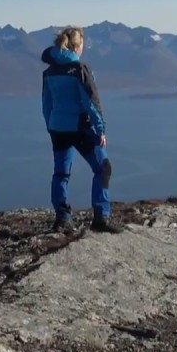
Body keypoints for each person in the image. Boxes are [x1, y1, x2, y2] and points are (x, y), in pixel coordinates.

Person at [41, 26, 122, 234]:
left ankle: (62, 219)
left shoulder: (49, 71)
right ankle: (101, 217)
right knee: (103, 168)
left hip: (57, 128)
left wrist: (51, 126)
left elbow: (46, 104)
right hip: (79, 127)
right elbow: (90, 102)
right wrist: (101, 128)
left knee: (60, 173)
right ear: (77, 46)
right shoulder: (79, 69)